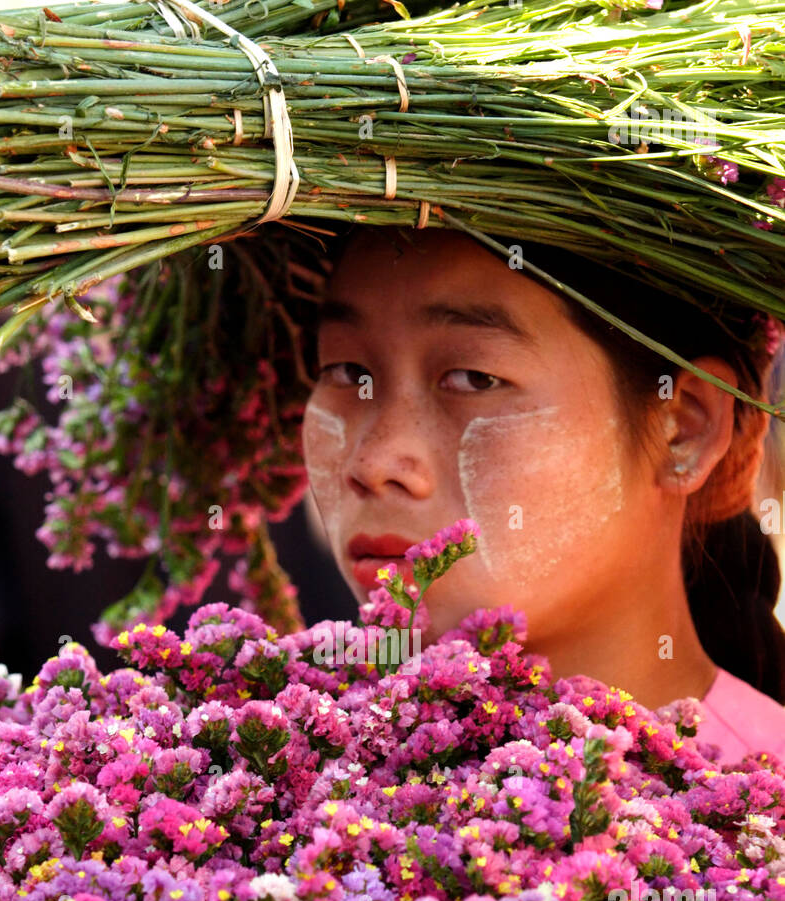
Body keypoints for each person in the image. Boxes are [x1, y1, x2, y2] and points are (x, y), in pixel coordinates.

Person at [300, 224, 785, 763]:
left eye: (473, 378)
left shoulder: (764, 825)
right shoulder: (243, 780)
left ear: (683, 428)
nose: (372, 462)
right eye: (346, 370)